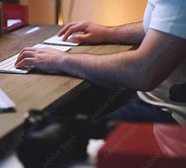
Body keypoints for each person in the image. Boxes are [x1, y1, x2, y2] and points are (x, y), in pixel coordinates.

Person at [15, 0, 186, 124]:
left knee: (53, 137)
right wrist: (108, 33)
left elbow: (142, 72)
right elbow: (159, 27)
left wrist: (61, 59)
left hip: (169, 116)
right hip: (150, 99)